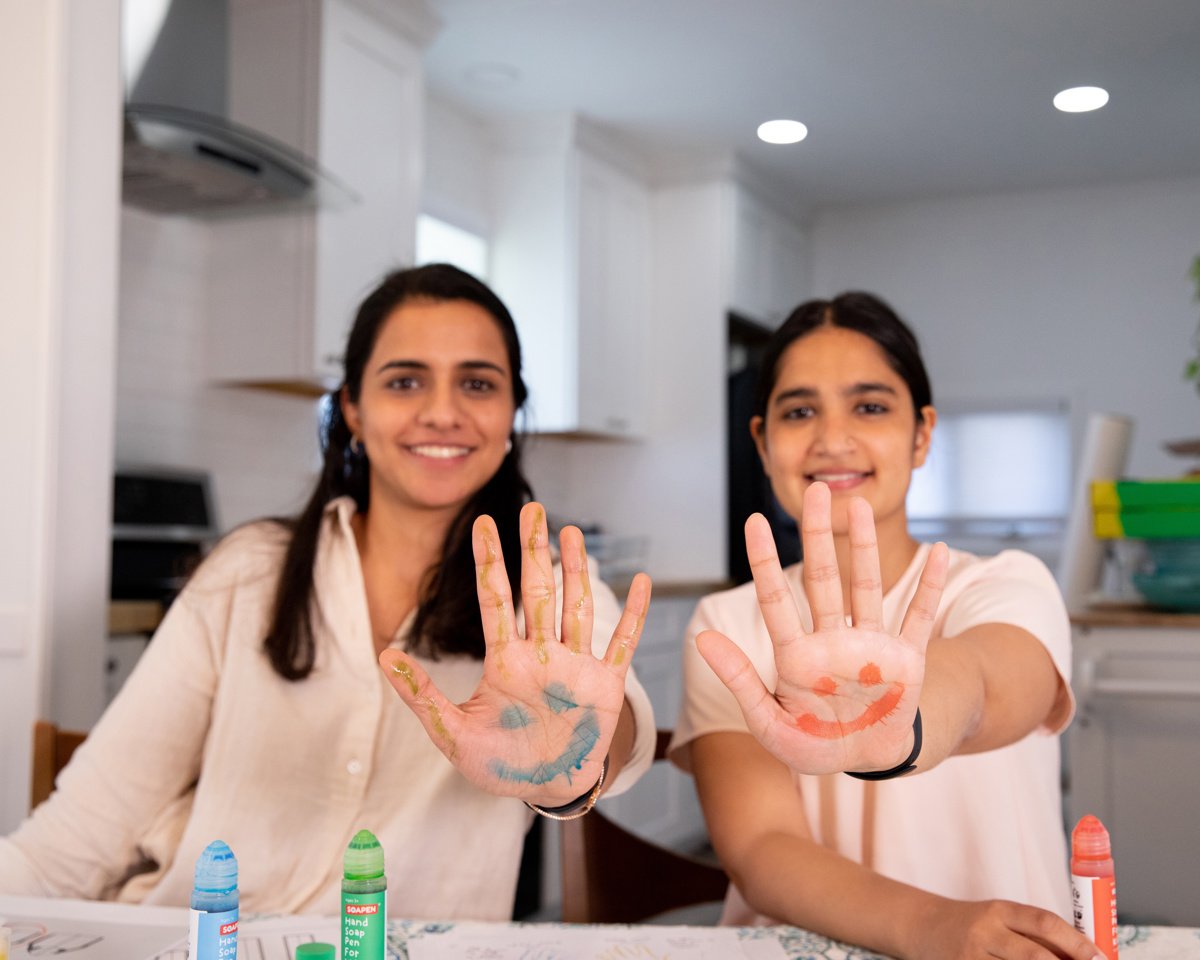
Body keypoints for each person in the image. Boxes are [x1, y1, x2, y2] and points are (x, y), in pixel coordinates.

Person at [0, 264, 655, 919]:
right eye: (405, 381)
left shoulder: (547, 593)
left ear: (513, 411)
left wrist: (576, 763)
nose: (442, 412)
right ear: (351, 408)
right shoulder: (248, 571)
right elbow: (84, 830)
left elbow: (620, 724)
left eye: (478, 383)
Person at [671, 293, 1101, 960]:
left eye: (870, 406)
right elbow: (760, 848)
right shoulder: (725, 623)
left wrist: (908, 725)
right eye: (800, 410)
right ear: (762, 441)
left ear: (922, 434)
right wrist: (932, 927)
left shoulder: (1007, 585)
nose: (832, 438)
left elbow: (986, 681)